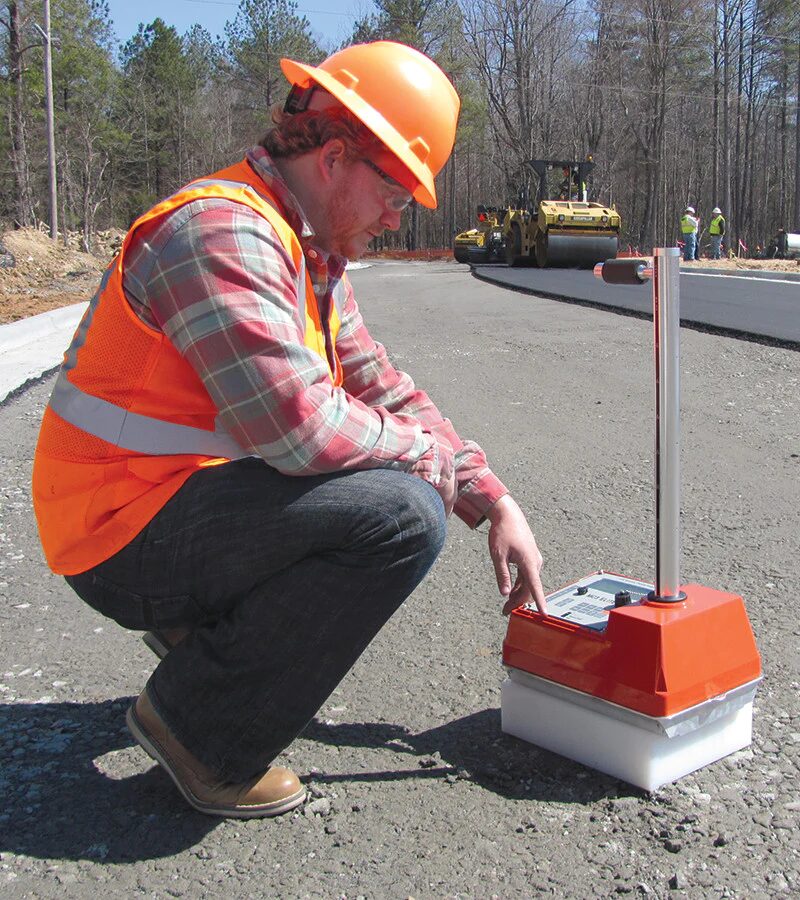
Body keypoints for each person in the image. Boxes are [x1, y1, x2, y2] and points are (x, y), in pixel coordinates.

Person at [31, 41, 545, 820]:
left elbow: (377, 382)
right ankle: (200, 733)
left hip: (169, 504)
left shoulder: (303, 250)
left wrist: (493, 498)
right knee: (400, 513)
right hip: (115, 532)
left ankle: (210, 649)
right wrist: (435, 469)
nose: (395, 217)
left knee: (401, 477)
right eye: (397, 193)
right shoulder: (222, 233)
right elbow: (300, 431)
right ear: (336, 158)